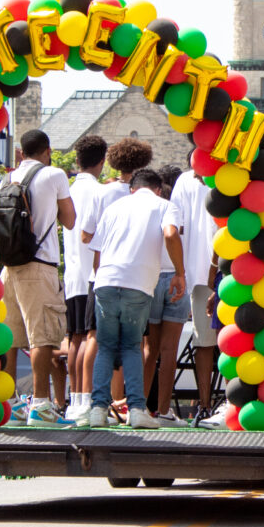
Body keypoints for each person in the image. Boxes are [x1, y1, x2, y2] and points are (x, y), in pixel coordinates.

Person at [87, 168, 185, 429]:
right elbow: (171, 234)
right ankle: (137, 409)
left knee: (106, 346)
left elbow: (97, 253)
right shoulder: (164, 205)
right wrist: (180, 272)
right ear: (157, 189)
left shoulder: (115, 207)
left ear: (132, 188)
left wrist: (105, 280)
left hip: (106, 281)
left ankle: (98, 410)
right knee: (131, 346)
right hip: (138, 284)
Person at [1, 129, 76, 428]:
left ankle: (9, 406)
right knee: (42, 337)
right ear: (48, 151)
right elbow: (70, 220)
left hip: (9, 267)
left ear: (20, 152)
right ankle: (41, 406)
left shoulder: (6, 178)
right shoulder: (54, 174)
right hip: (39, 265)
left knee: (10, 336)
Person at [61, 135, 107, 421]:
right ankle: (83, 399)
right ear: (102, 162)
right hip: (93, 273)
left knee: (75, 338)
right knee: (90, 338)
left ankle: (74, 398)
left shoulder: (67, 190)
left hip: (71, 274)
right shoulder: (99, 192)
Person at [141, 165, 190, 427]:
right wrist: (182, 273)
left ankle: (139, 408)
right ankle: (163, 411)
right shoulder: (173, 210)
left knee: (150, 349)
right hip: (174, 277)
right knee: (169, 350)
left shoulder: (145, 211)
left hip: (150, 279)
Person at [169, 168, 219, 421]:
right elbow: (174, 227)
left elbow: (174, 228)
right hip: (208, 271)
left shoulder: (186, 180)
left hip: (205, 270)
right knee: (209, 341)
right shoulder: (189, 179)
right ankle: (208, 405)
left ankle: (210, 404)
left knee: (208, 342)